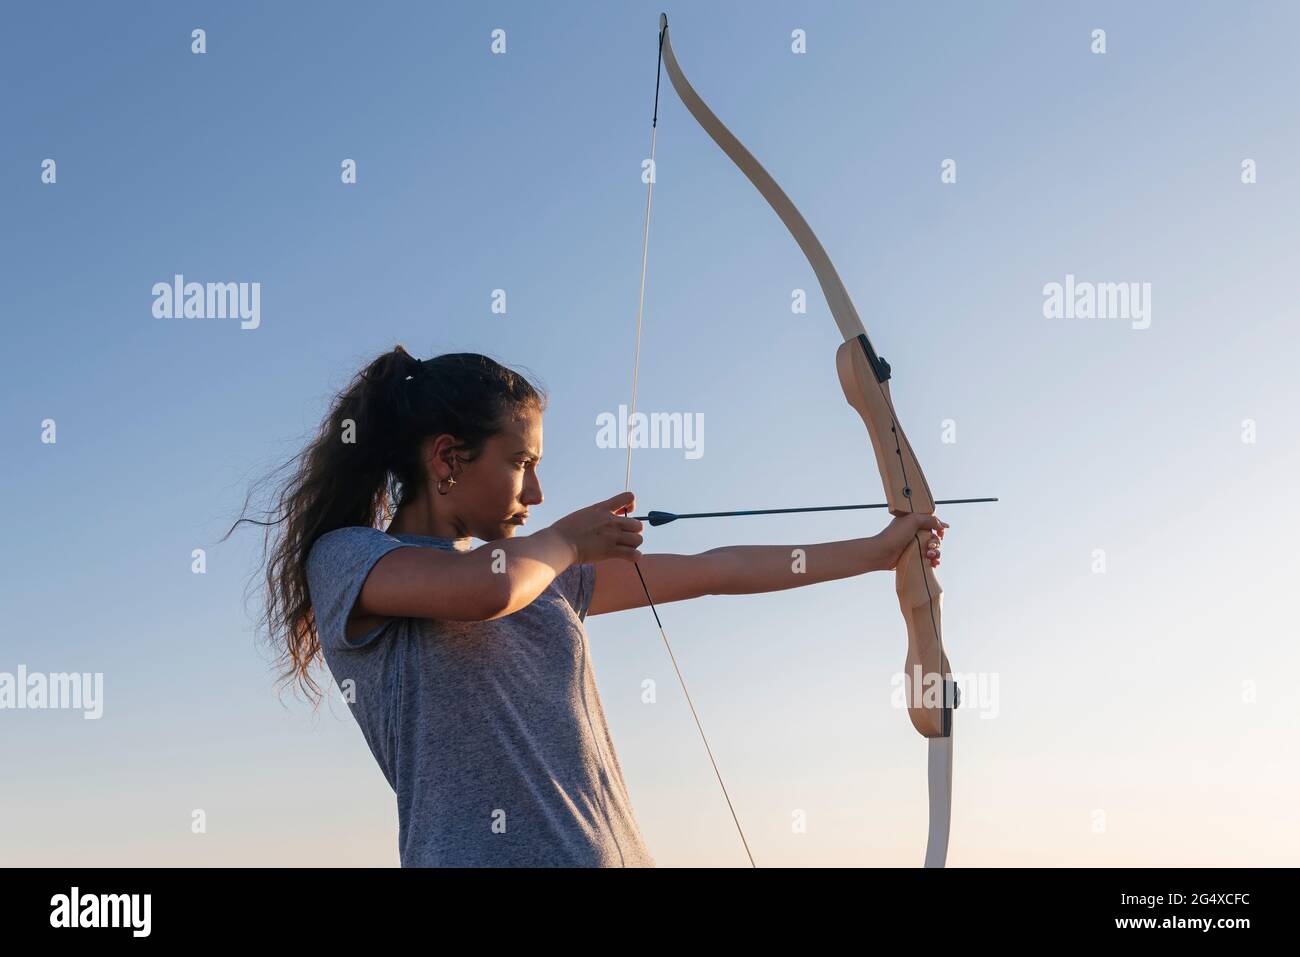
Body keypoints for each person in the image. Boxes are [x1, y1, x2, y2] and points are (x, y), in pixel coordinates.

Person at [231, 344, 945, 867]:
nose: (536, 492)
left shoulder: (549, 582)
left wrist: (879, 549)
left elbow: (714, 569)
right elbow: (485, 589)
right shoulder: (352, 561)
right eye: (520, 463)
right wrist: (569, 538)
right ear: (447, 459)